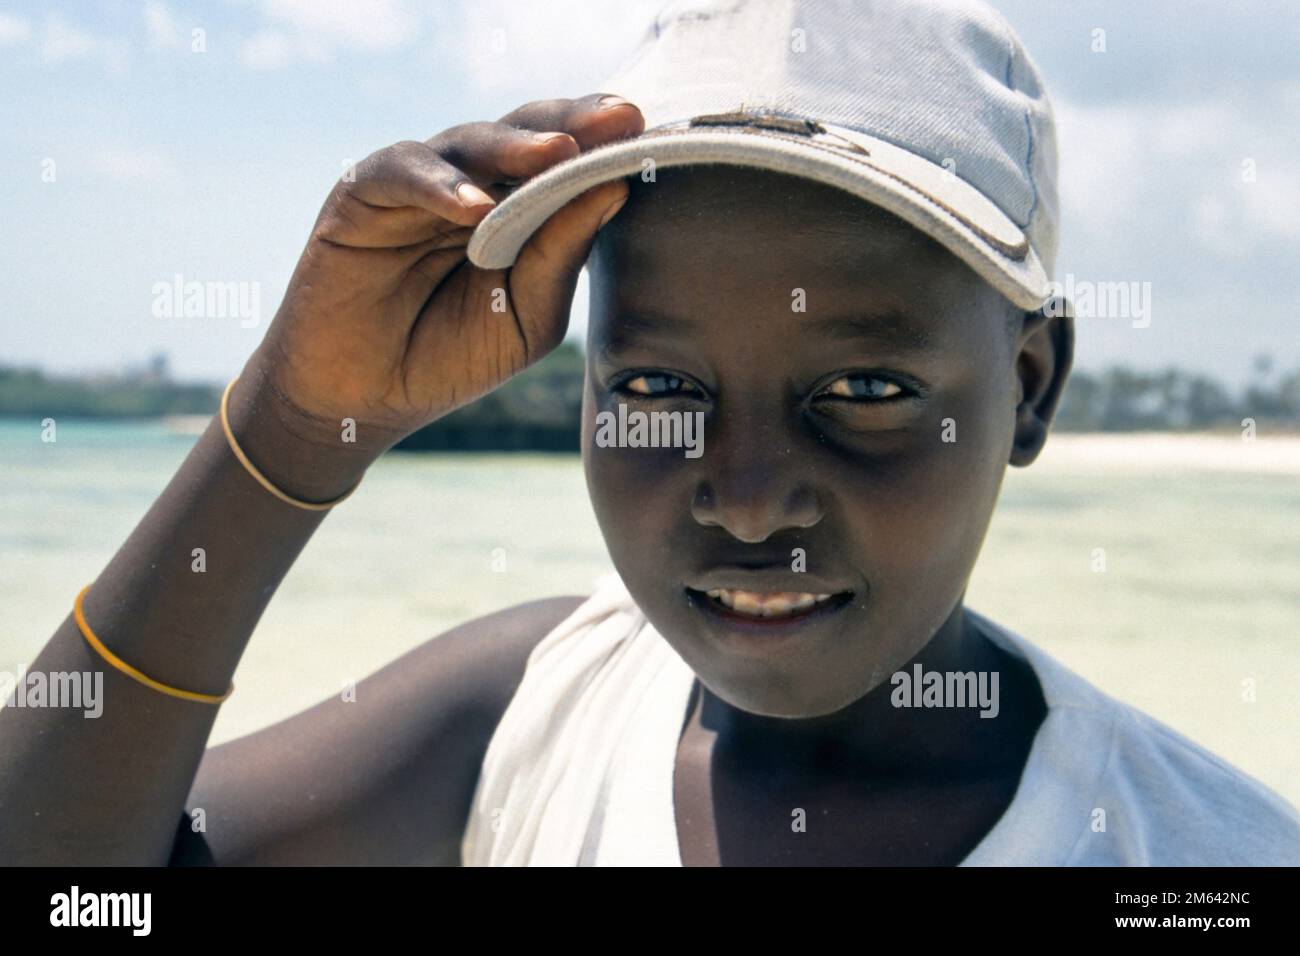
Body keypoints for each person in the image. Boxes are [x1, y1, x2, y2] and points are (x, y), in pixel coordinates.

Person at [2, 0, 1298, 867]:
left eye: (862, 392)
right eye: (662, 393)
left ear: (1030, 386)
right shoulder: (521, 718)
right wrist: (286, 433)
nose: (744, 501)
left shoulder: (1197, 859)